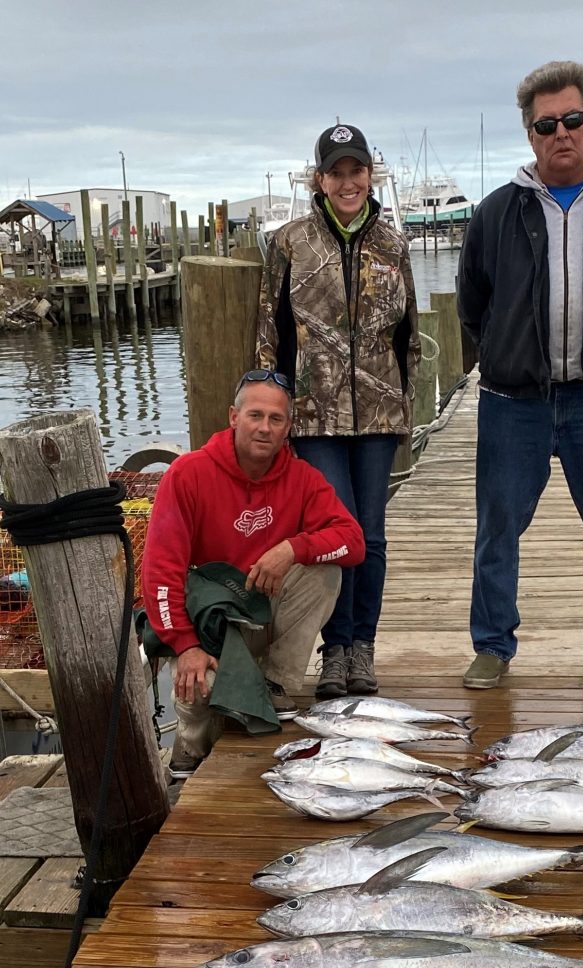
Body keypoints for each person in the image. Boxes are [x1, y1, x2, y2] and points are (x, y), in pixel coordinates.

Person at [456, 60, 583, 689]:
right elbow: (472, 305)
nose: (560, 133)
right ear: (530, 135)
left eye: (572, 120)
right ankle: (492, 646)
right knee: (498, 529)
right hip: (514, 403)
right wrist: (507, 353)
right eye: (546, 125)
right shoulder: (494, 214)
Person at [258, 123, 420, 699]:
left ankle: (362, 649)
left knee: (370, 536)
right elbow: (269, 333)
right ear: (319, 179)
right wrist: (272, 411)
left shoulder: (394, 245)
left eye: (357, 170)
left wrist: (404, 406)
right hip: (315, 416)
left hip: (378, 414)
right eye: (336, 172)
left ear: (370, 174)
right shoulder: (289, 243)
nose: (348, 182)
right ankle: (335, 648)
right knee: (336, 532)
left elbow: (409, 336)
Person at [140, 371, 365, 774]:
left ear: (288, 428)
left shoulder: (302, 479)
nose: (264, 427)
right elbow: (160, 572)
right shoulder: (187, 475)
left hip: (264, 611)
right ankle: (189, 752)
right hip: (211, 626)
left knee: (325, 570)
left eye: (276, 419)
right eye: (255, 415)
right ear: (233, 417)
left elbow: (354, 541)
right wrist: (185, 645)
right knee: (201, 692)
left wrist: (293, 548)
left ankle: (275, 685)